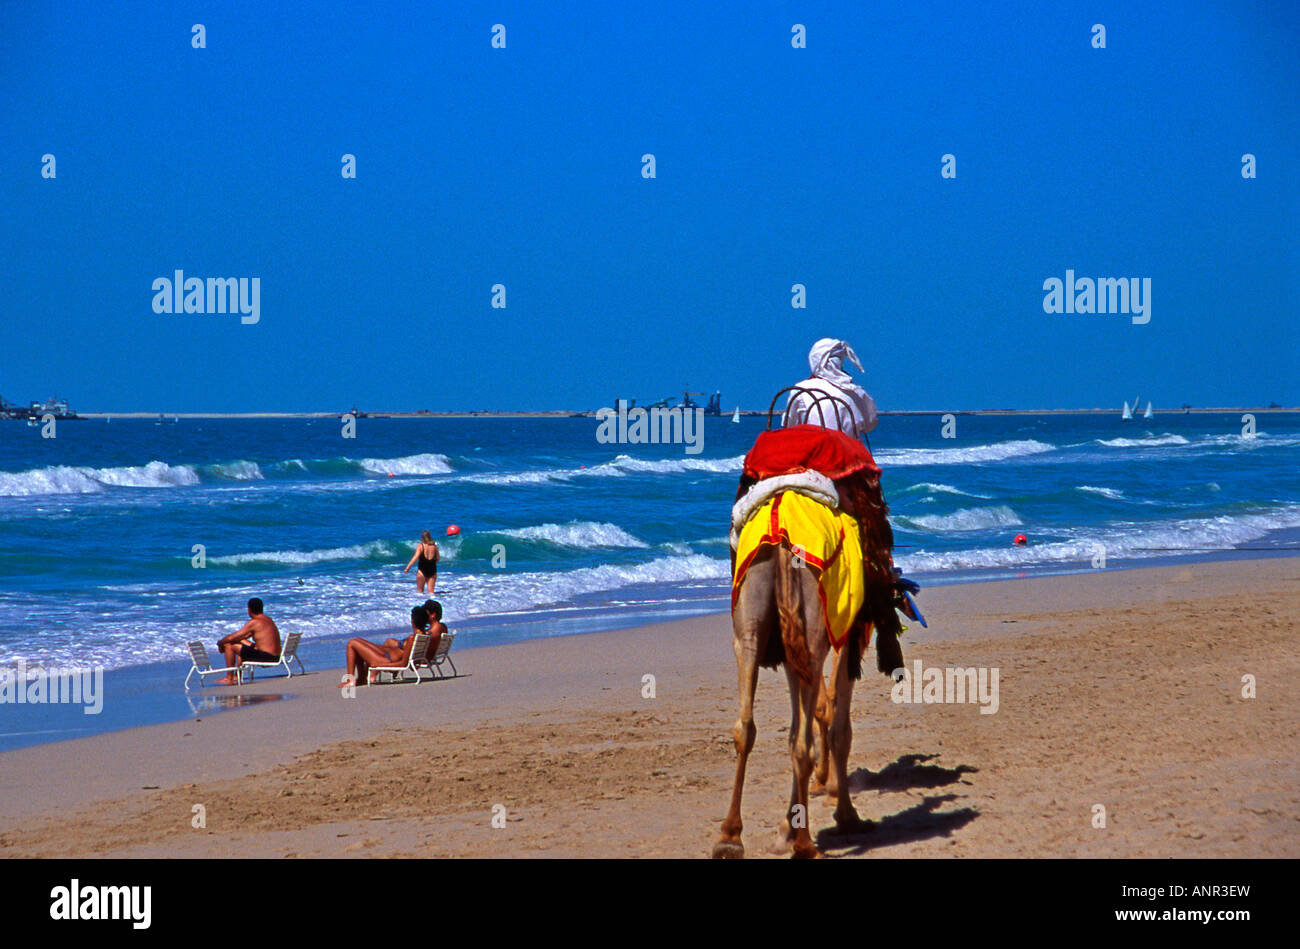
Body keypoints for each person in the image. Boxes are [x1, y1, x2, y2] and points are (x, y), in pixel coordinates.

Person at [782, 338, 878, 438]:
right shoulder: (856, 392)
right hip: (849, 451)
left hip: (814, 451)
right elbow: (870, 424)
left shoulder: (801, 390)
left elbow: (789, 424)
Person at [339, 606, 429, 688]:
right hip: (387, 656)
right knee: (358, 641)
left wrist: (380, 665)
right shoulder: (424, 635)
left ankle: (350, 680)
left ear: (412, 622)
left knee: (352, 643)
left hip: (385, 660)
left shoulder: (412, 638)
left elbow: (403, 664)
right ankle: (362, 677)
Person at [214, 598, 282, 686]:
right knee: (241, 642)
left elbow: (231, 638)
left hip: (266, 657)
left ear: (249, 610)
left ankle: (229, 677)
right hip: (276, 656)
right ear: (262, 608)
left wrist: (220, 643)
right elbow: (242, 637)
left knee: (229, 645)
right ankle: (237, 675)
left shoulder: (254, 622)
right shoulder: (268, 619)